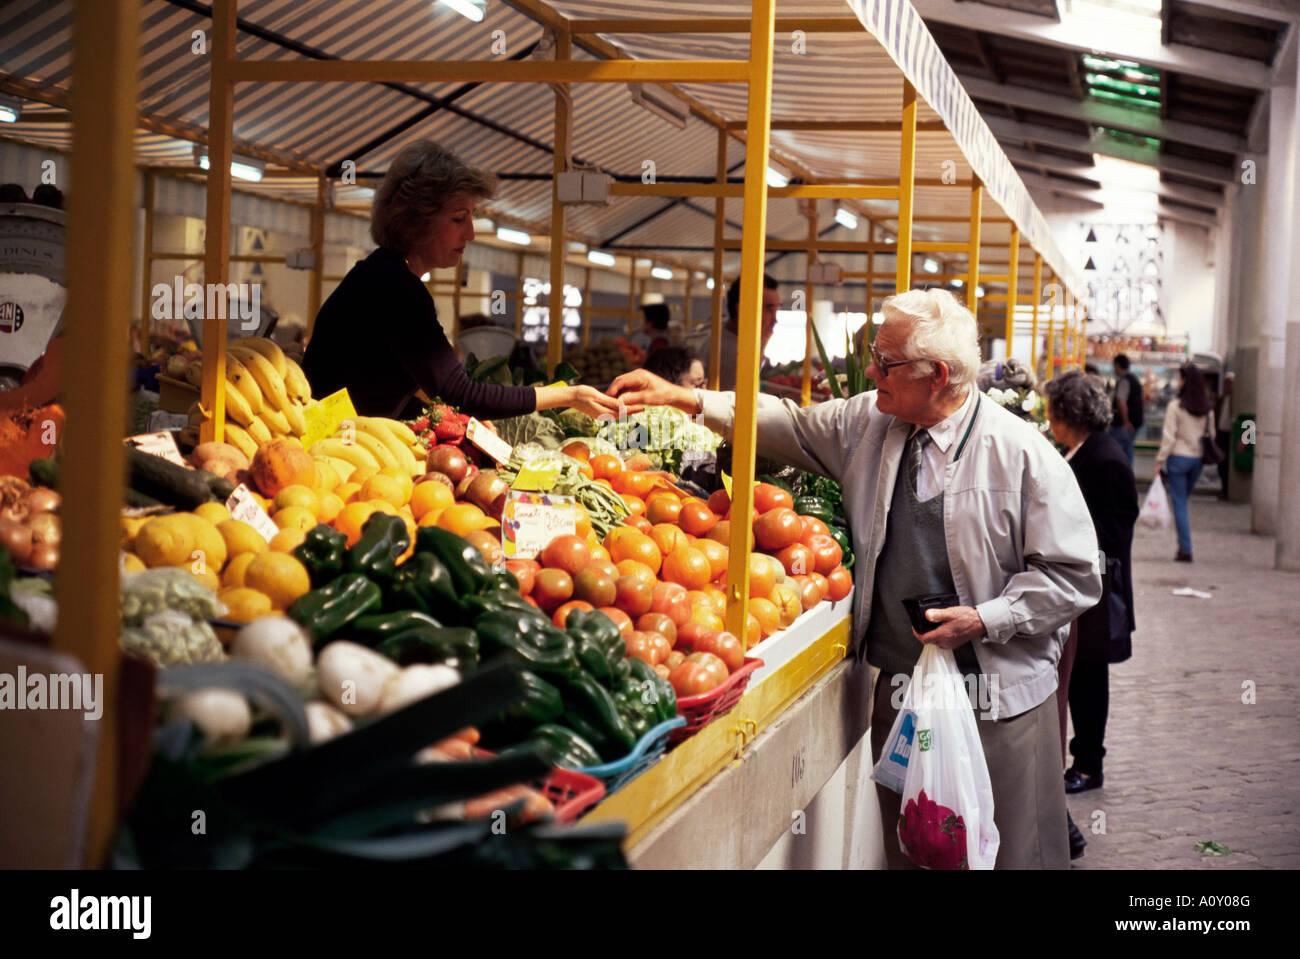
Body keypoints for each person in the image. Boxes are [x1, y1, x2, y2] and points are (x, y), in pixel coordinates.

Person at [609, 289, 1102, 870]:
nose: (870, 372)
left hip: (996, 702)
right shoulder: (871, 421)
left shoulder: (1020, 455)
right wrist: (689, 400)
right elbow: (787, 423)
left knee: (1011, 851)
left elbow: (1074, 575)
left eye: (885, 362)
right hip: (902, 697)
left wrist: (986, 618)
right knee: (914, 849)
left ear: (937, 374)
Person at [302, 140, 618, 421]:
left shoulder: (381, 274)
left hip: (345, 437)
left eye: (471, 217)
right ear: (416, 220)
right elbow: (458, 391)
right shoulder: (396, 289)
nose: (470, 233)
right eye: (458, 218)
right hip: (331, 447)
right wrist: (568, 396)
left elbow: (381, 381)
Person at [1044, 371, 1138, 853]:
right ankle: (1082, 760)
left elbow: (1113, 533)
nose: (1049, 420)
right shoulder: (1084, 453)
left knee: (1089, 679)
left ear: (1067, 416)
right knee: (1080, 678)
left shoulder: (1106, 461)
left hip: (1097, 593)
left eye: (1053, 412)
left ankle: (1088, 764)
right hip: (1084, 589)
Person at [1154, 363, 1212, 562]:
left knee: (1179, 504)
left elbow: (1169, 437)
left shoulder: (1175, 406)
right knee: (1182, 502)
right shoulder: (1206, 408)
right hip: (1197, 460)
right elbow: (1211, 434)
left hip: (1178, 458)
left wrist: (1159, 461)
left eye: (1180, 378)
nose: (1178, 381)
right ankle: (1183, 546)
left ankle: (1185, 549)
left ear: (1185, 381)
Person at [715, 272, 780, 391]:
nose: (775, 320)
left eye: (776, 310)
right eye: (769, 310)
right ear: (743, 309)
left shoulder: (724, 339)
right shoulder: (735, 356)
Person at [1109, 353, 1144, 467]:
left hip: (1123, 425)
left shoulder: (1124, 381)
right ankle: (1127, 479)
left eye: (1114, 365)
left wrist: (1125, 421)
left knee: (1116, 454)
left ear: (1118, 365)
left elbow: (1121, 401)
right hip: (1134, 424)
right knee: (1127, 453)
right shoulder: (1134, 379)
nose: (1113, 368)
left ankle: (1118, 480)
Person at [1216, 371, 1235, 498]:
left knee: (1231, 464)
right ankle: (1224, 489)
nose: (1227, 386)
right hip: (1222, 434)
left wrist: (1247, 439)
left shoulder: (1241, 399)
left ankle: (1231, 491)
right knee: (1221, 463)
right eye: (1226, 383)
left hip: (1234, 436)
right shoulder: (1221, 399)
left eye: (1230, 383)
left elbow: (1249, 419)